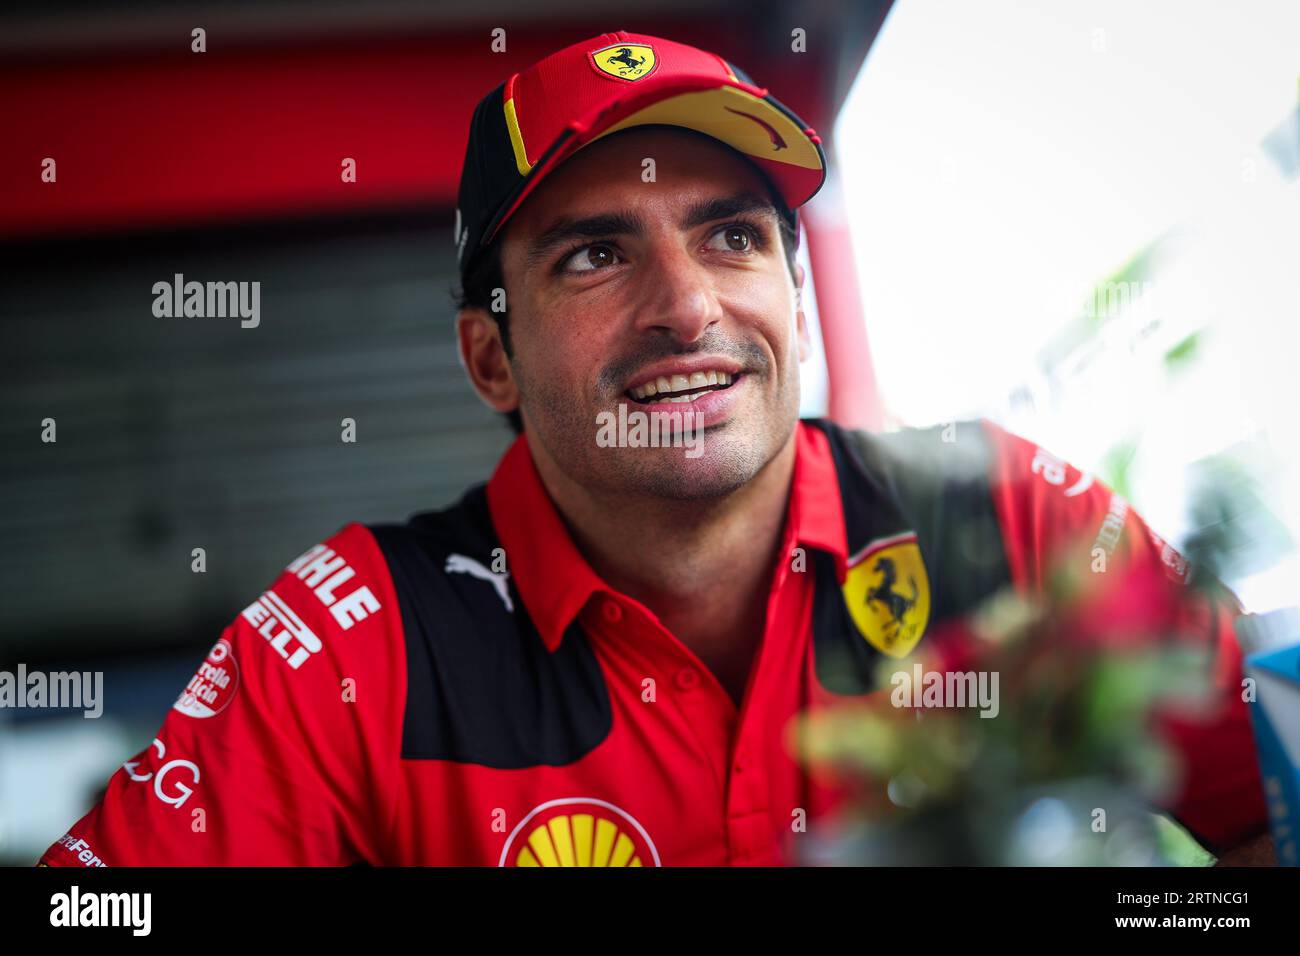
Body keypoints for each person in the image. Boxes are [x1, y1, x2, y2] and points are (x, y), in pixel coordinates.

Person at [38, 30, 1269, 868]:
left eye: (731, 236)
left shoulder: (1000, 516)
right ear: (491, 359)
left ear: (793, 293)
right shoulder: (353, 641)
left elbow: (1267, 803)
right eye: (595, 253)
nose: (688, 306)